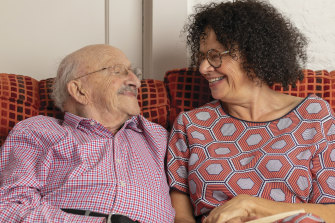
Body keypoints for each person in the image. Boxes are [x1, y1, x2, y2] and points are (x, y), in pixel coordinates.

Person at [167, 1, 335, 222]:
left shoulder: (314, 115)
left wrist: (250, 205)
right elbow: (179, 215)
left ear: (253, 54)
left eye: (215, 55)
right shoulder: (191, 124)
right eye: (201, 57)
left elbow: (331, 212)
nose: (203, 68)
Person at [0, 44, 175, 222]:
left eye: (134, 73)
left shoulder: (159, 136)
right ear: (79, 90)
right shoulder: (38, 131)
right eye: (117, 71)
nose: (136, 82)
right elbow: (9, 207)